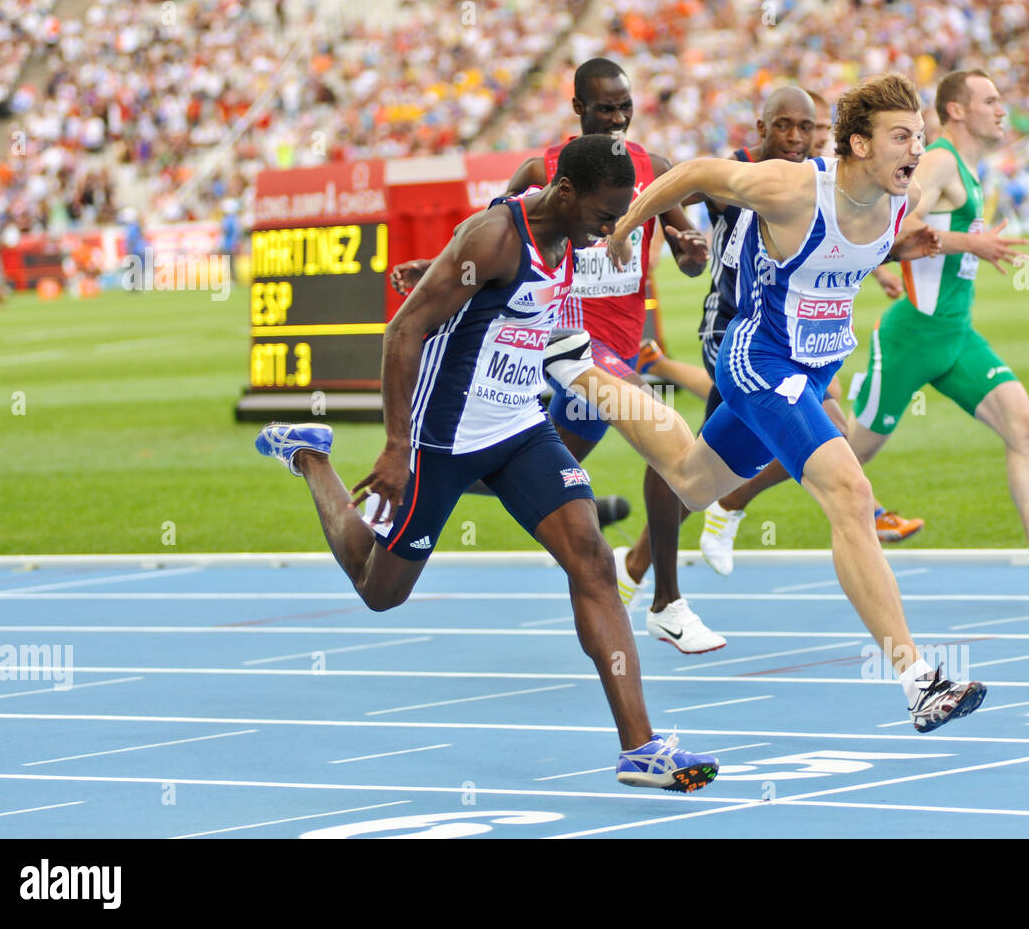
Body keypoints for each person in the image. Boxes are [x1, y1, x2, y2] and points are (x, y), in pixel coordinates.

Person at [255, 135, 719, 790]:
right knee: (379, 589)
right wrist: (396, 448)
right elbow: (403, 330)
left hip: (521, 428)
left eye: (619, 215)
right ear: (566, 193)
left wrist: (445, 269)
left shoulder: (568, 237)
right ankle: (309, 456)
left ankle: (639, 747)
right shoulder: (498, 236)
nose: (612, 229)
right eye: (605, 213)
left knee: (590, 556)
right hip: (444, 438)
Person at [544, 74, 985, 732]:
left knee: (693, 477)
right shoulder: (793, 187)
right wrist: (626, 228)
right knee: (850, 493)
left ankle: (576, 367)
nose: (916, 151)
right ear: (858, 144)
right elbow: (693, 171)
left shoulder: (903, 194)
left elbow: (864, 239)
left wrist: (903, 247)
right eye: (902, 137)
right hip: (759, 361)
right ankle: (920, 680)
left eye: (920, 137)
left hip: (812, 367)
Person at [393, 59, 723, 654]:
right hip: (563, 339)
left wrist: (690, 249)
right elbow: (487, 231)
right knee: (670, 445)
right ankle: (667, 600)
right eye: (604, 109)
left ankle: (438, 476)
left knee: (529, 473)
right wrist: (440, 269)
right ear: (579, 109)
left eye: (626, 106)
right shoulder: (543, 169)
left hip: (618, 343)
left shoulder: (654, 170)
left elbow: (691, 257)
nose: (618, 119)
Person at [847, 70, 1029, 585]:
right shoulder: (940, 161)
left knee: (1023, 425)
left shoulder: (968, 168)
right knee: (845, 455)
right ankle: (734, 493)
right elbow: (887, 217)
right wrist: (973, 245)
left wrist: (886, 269)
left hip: (956, 336)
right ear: (957, 110)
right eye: (990, 100)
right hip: (913, 337)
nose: (1002, 109)